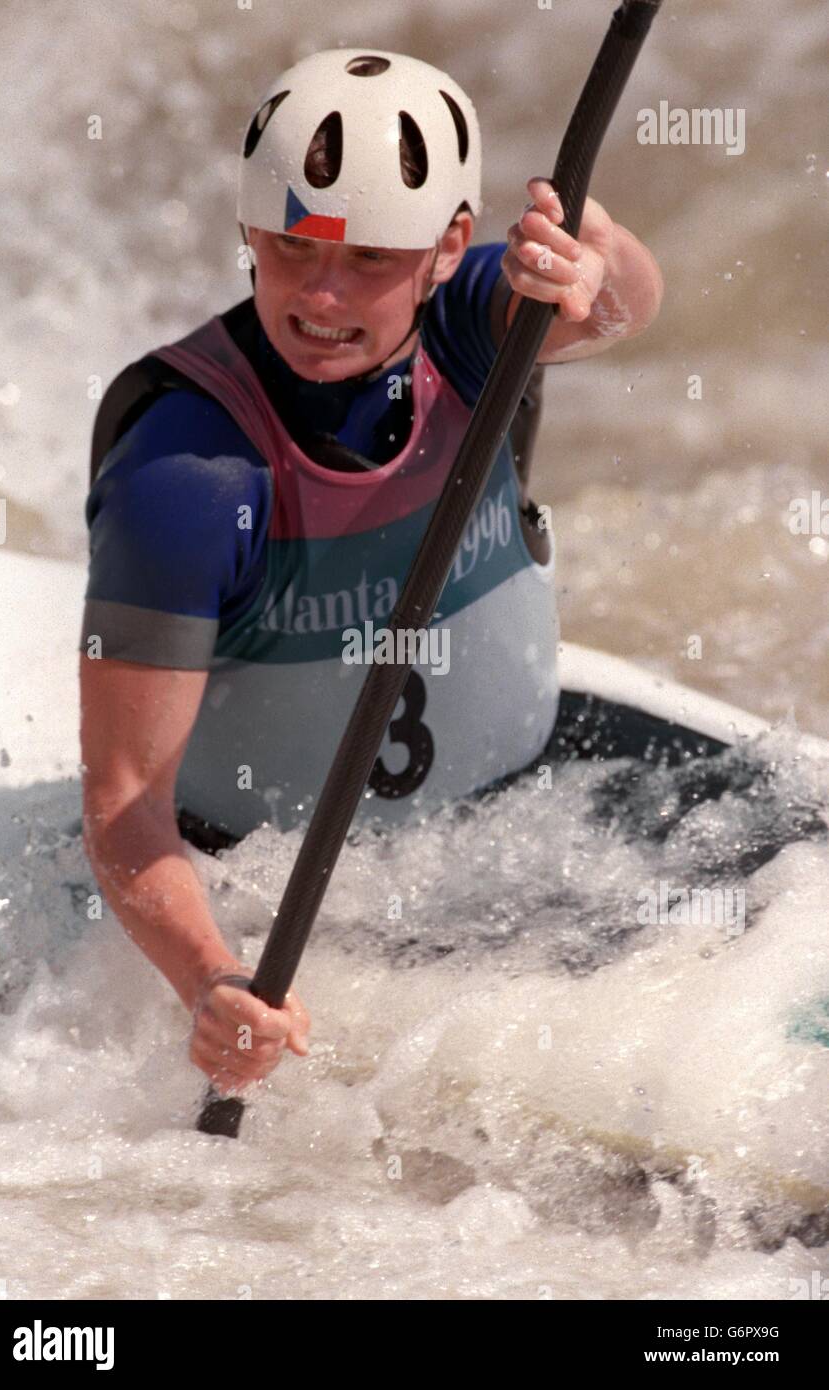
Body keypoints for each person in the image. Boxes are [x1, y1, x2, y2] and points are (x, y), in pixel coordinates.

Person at [79, 49, 663, 1103]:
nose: (323, 295)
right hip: (290, 909)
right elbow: (124, 803)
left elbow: (616, 308)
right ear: (248, 229)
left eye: (369, 258)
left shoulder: (486, 321)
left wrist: (600, 261)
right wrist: (209, 983)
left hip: (535, 825)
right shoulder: (188, 477)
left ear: (447, 245)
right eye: (292, 247)